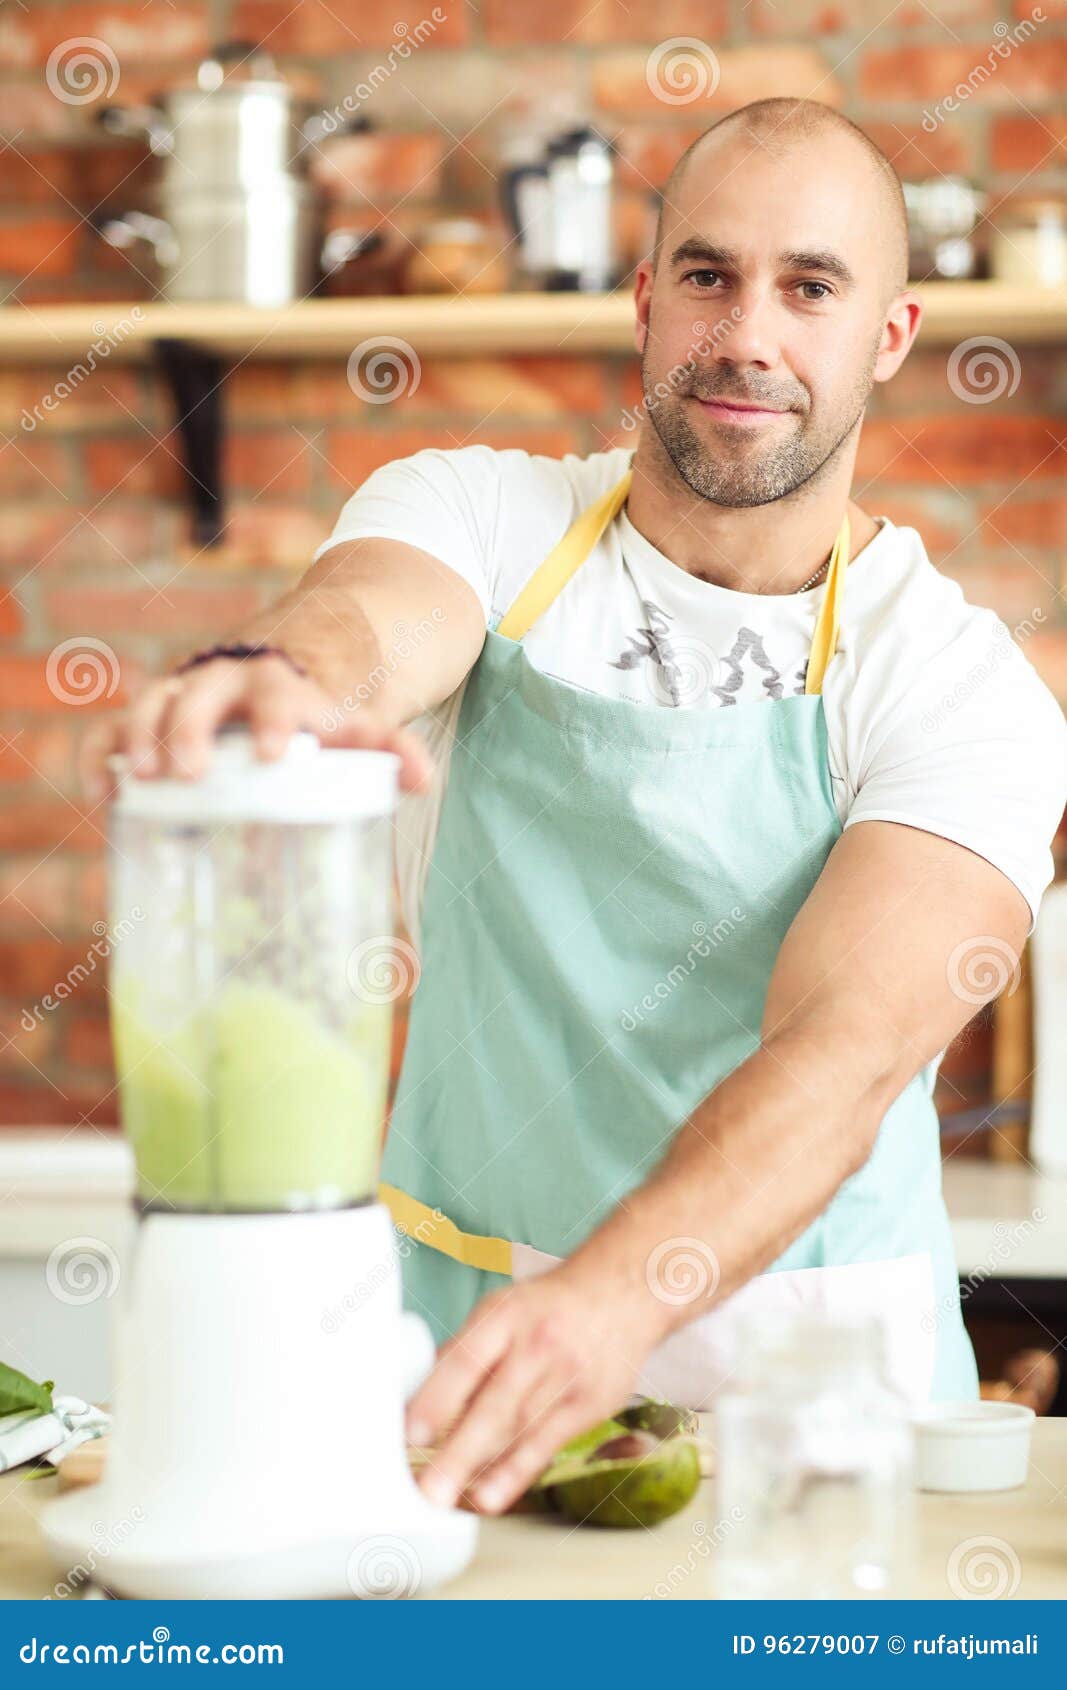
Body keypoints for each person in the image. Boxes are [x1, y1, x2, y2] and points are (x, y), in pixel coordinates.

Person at [84, 98, 1067, 1516]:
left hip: (820, 1406)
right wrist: (285, 684)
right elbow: (363, 621)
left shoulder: (959, 684)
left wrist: (616, 1303)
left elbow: (846, 1047)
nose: (748, 335)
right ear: (644, 302)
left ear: (891, 336)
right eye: (709, 275)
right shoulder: (483, 516)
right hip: (462, 1350)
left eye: (811, 287)